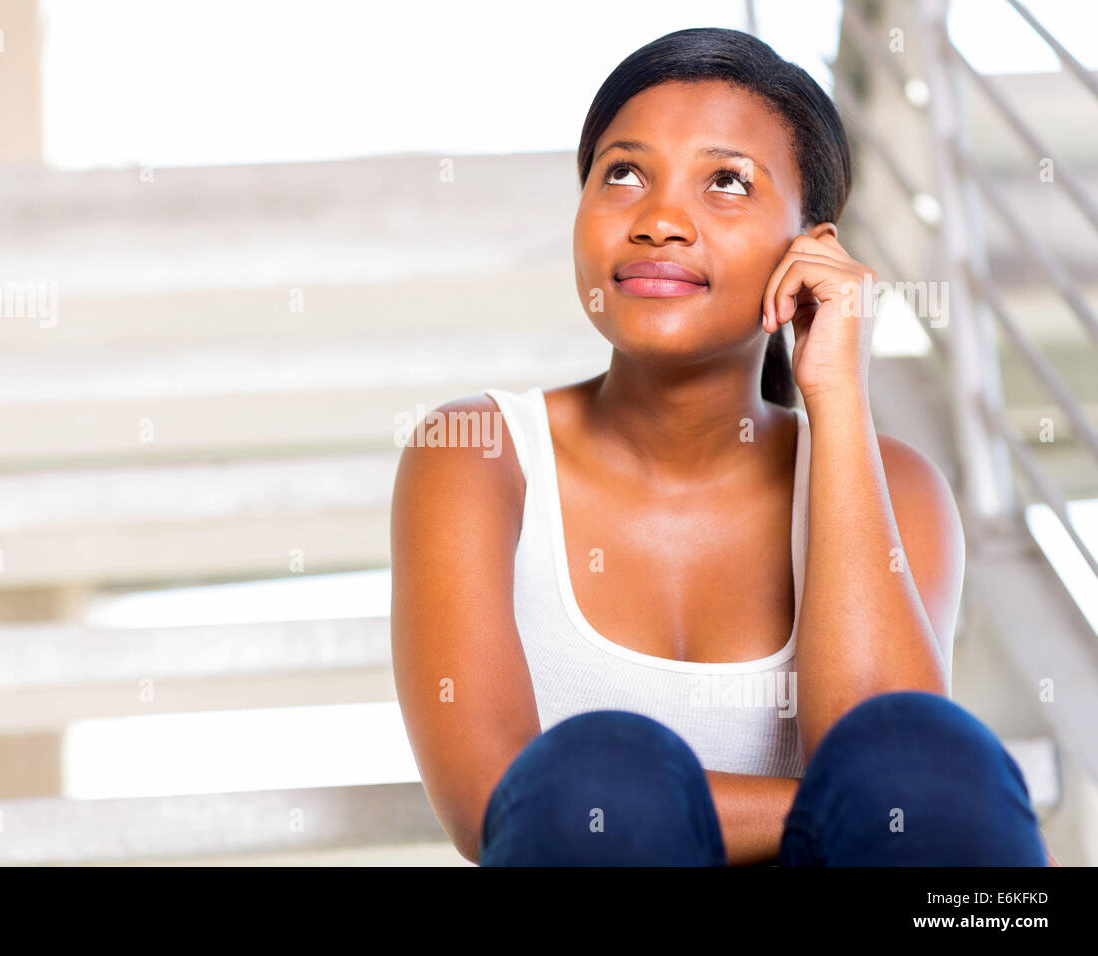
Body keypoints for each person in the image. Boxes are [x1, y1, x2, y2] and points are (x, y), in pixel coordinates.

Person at [390, 26, 1055, 866]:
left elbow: (900, 775)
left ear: (812, 245)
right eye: (622, 174)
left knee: (926, 757)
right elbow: (494, 799)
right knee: (600, 778)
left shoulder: (896, 485)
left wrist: (838, 399)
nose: (660, 221)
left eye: (728, 182)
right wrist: (840, 810)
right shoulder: (477, 455)